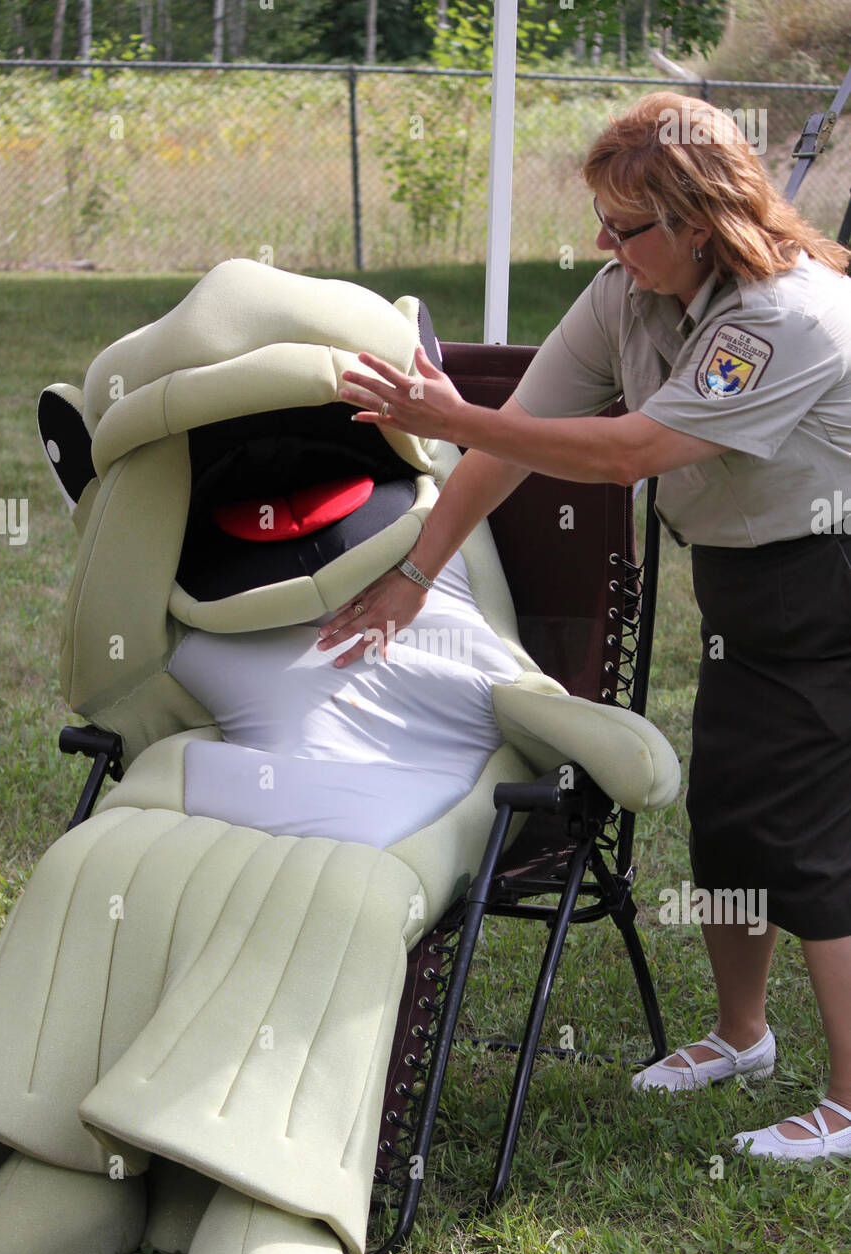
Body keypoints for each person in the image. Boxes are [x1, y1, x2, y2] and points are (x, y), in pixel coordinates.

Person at [318, 90, 851, 1163]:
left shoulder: (784, 318)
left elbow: (623, 454)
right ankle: (741, 1035)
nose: (600, 247)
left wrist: (443, 413)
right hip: (750, 586)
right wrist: (418, 571)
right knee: (728, 816)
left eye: (623, 226)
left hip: (824, 578)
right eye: (600, 224)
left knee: (806, 836)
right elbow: (516, 439)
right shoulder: (629, 292)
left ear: (697, 220)